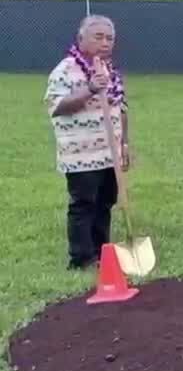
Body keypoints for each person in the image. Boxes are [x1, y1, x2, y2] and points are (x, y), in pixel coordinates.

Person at [46, 15, 129, 270]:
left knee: (105, 202)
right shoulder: (65, 70)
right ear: (81, 39)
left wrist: (124, 143)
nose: (105, 43)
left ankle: (102, 251)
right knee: (83, 205)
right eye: (98, 37)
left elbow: (121, 108)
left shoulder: (110, 70)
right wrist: (90, 88)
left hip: (110, 153)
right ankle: (81, 258)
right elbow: (57, 107)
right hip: (81, 154)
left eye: (110, 38)